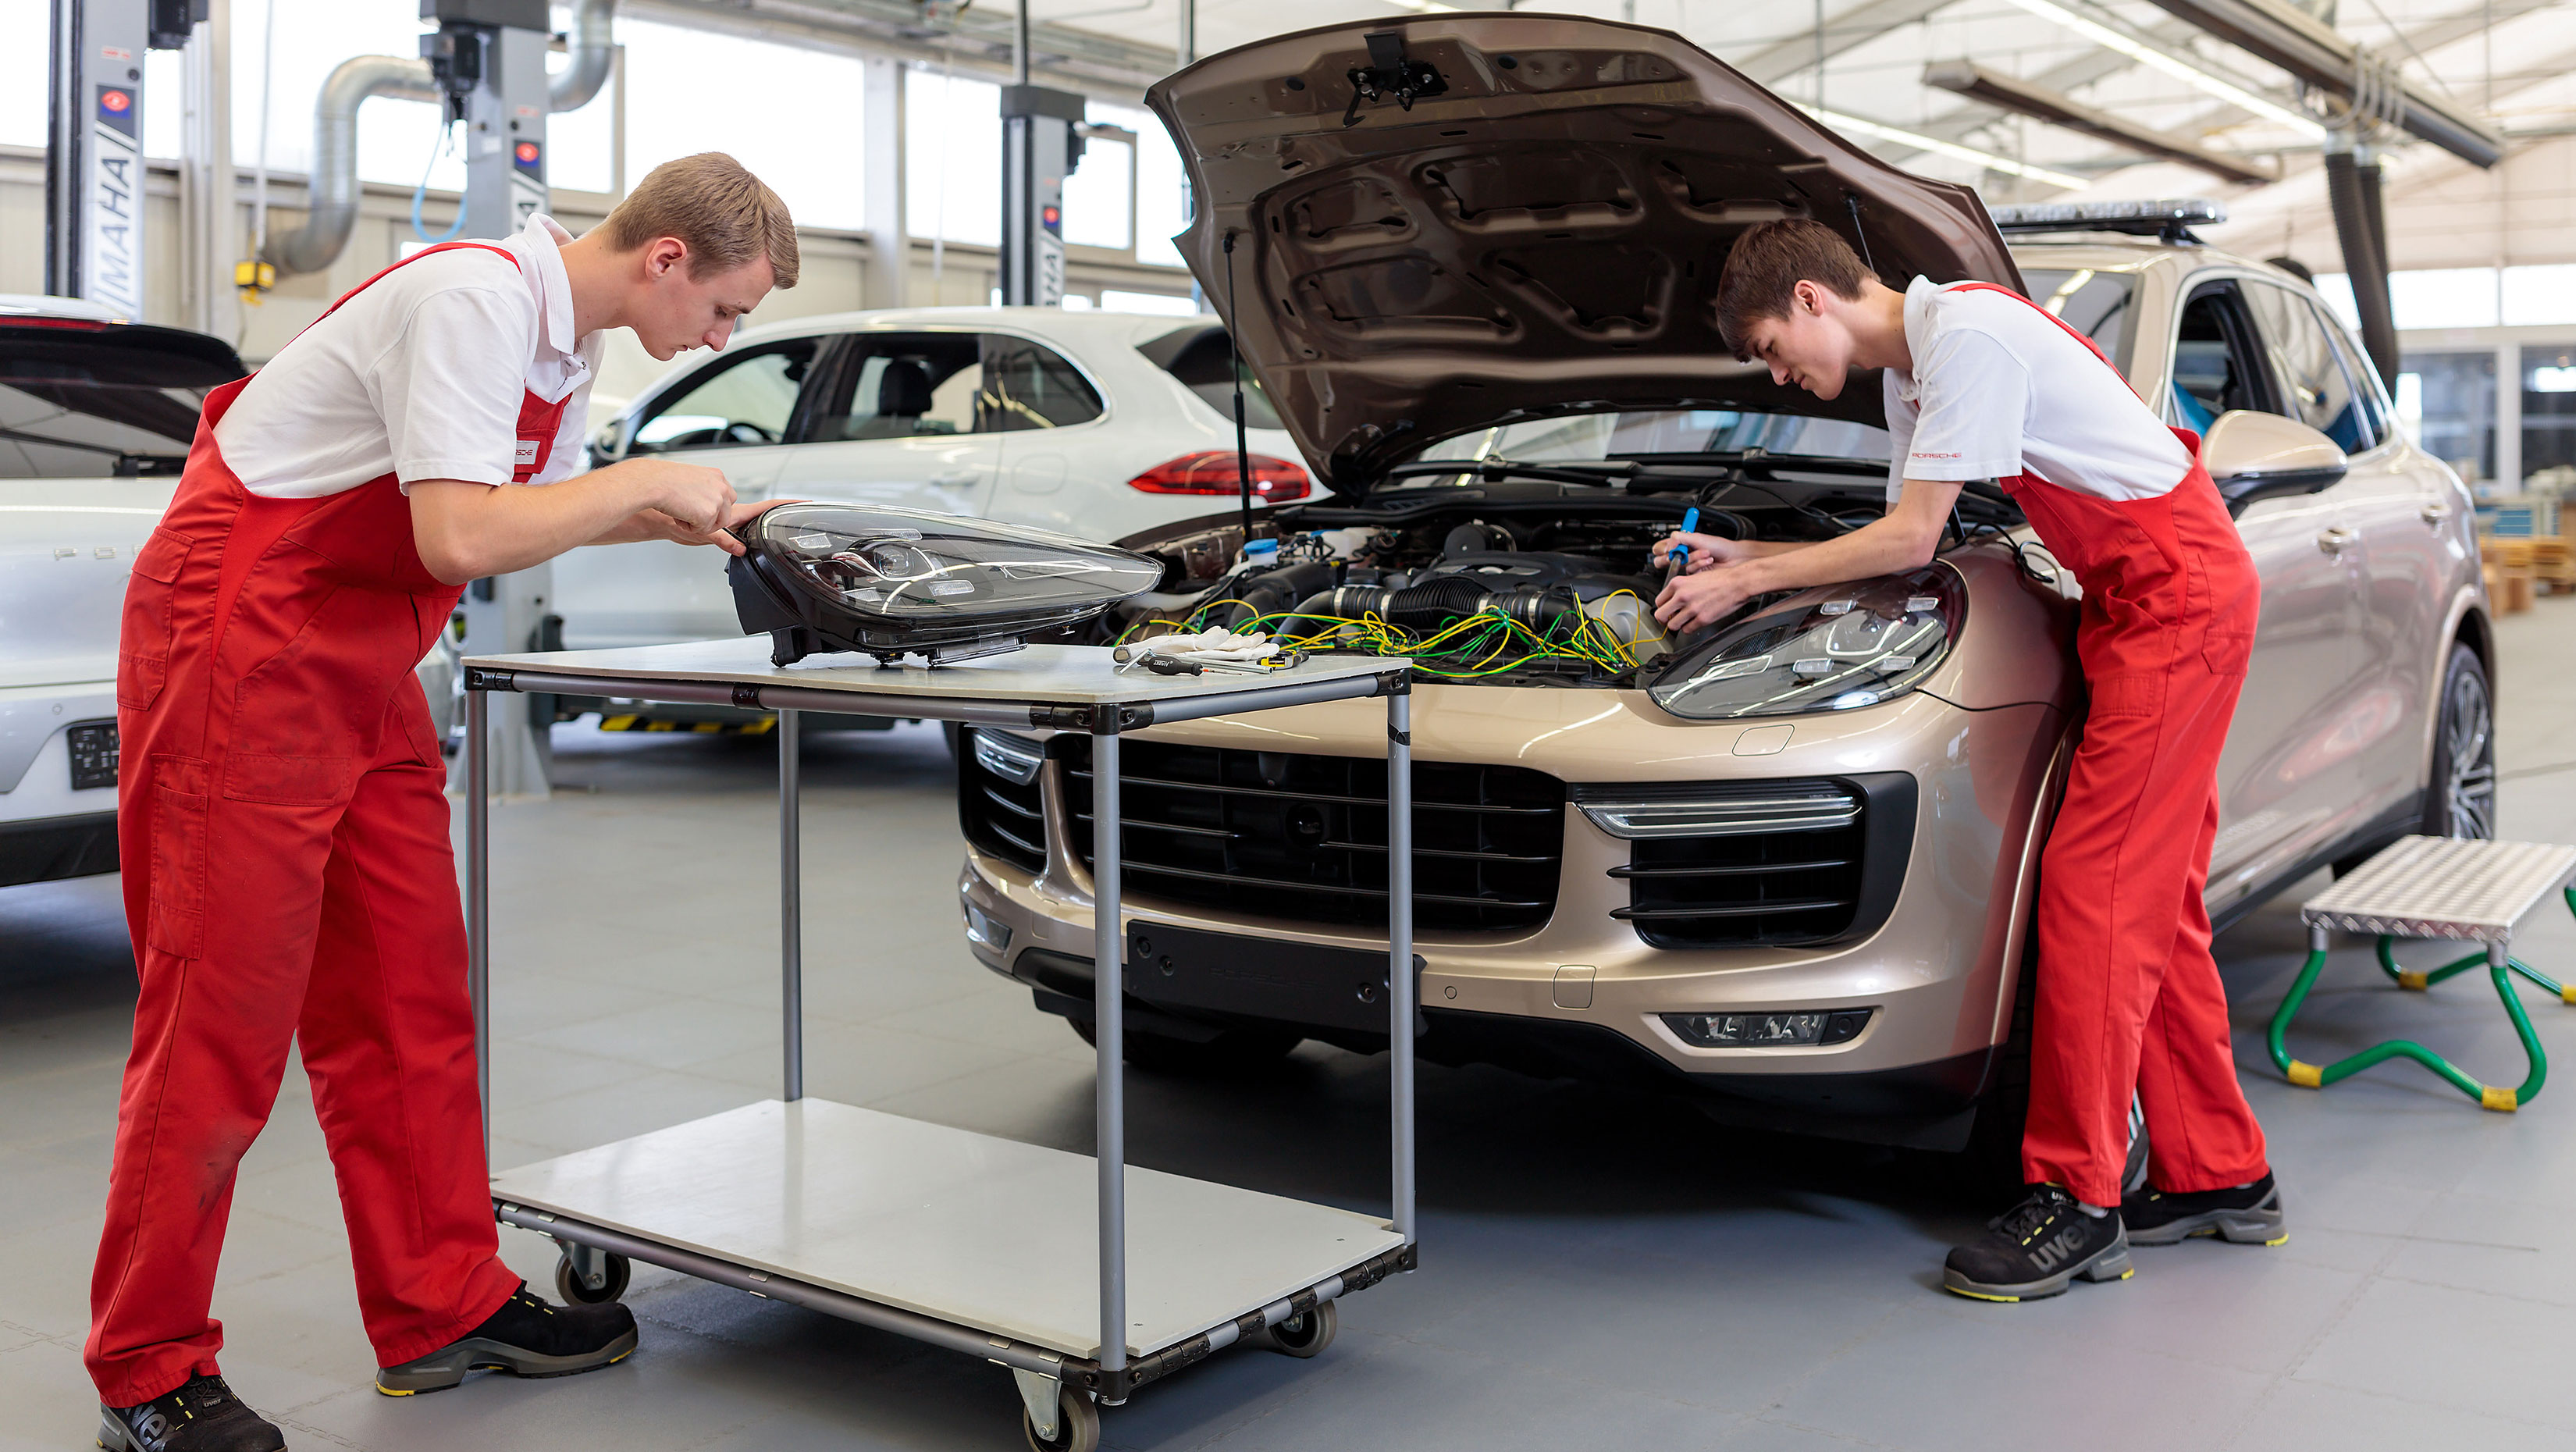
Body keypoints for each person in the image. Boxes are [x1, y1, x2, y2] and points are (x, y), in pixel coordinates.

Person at [90, 152, 799, 1451]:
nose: (719, 336)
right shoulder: (474, 299)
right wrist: (641, 482)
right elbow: (458, 538)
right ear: (666, 259)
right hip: (241, 641)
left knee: (408, 995)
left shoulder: (568, 347)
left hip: (362, 657)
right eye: (723, 310)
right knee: (218, 1018)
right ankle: (146, 1366)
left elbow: (515, 513)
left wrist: (659, 518)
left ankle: (439, 1305)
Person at [1653, 218, 2282, 1302]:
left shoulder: (1967, 342)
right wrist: (1744, 554)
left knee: (2094, 890)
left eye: (1769, 349)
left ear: (1811, 298)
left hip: (2176, 595)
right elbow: (1913, 538)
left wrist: (1748, 583)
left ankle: (2078, 1200)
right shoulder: (1915, 373)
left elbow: (1908, 543)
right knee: (2157, 896)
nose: (1779, 376)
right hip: (2131, 598)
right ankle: (2220, 1171)